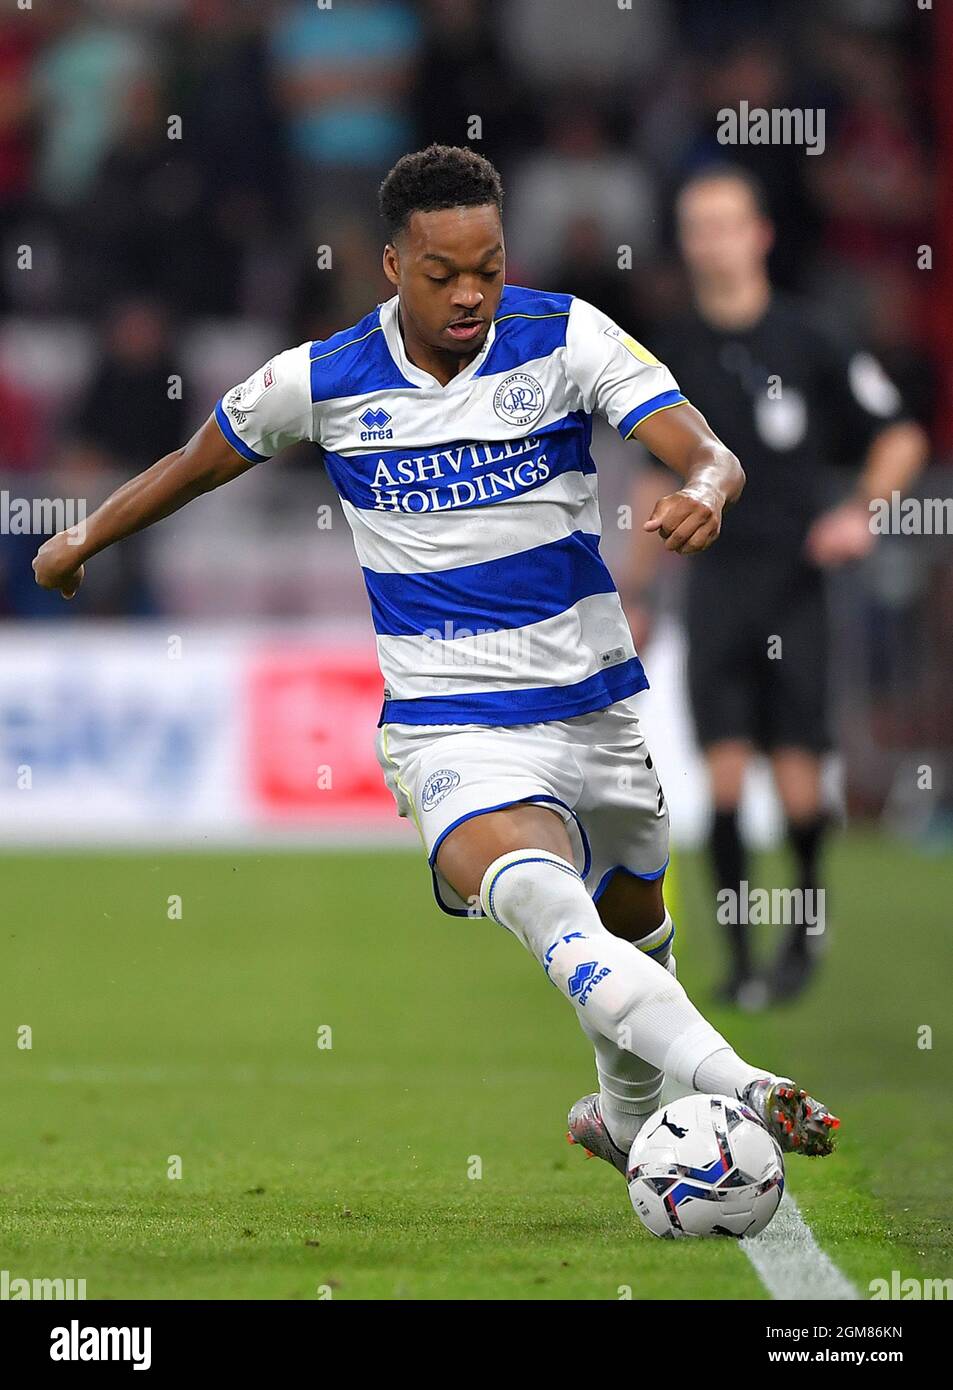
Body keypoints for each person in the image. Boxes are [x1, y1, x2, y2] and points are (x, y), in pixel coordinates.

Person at [33, 145, 839, 1176]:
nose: (469, 295)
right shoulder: (321, 378)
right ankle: (747, 1087)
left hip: (595, 711)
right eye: (442, 273)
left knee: (635, 924)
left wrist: (708, 490)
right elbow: (196, 464)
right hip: (449, 728)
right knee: (550, 911)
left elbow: (707, 448)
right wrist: (83, 537)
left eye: (487, 270)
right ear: (391, 266)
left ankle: (624, 1118)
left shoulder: (565, 336)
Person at [626, 166, 928, 1009]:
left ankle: (799, 936)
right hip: (714, 582)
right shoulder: (669, 354)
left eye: (725, 222)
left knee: (797, 777)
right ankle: (738, 960)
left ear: (758, 234)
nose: (710, 240)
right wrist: (636, 590)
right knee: (721, 777)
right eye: (696, 226)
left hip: (796, 583)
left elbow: (898, 434)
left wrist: (861, 511)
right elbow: (649, 476)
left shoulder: (810, 337)